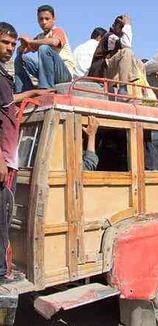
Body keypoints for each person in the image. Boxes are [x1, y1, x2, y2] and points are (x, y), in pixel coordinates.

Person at [0, 22, 52, 280]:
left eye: (12, 44)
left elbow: (8, 103)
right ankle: (1, 272)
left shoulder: (4, 76)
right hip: (2, 156)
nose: (9, 48)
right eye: (4, 43)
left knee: (5, 212)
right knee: (2, 215)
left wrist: (31, 92)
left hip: (9, 155)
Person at [14, 5, 75, 92]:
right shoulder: (40, 37)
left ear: (53, 19)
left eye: (47, 19)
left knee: (44, 48)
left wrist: (30, 42)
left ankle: (45, 88)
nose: (44, 22)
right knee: (20, 59)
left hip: (63, 75)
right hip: (48, 73)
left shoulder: (58, 31)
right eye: (41, 19)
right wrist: (24, 44)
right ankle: (22, 91)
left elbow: (54, 42)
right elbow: (20, 51)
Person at [88, 15, 138, 96]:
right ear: (113, 26)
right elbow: (127, 45)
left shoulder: (118, 40)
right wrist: (127, 25)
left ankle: (140, 93)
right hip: (100, 74)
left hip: (108, 73)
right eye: (121, 27)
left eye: (123, 27)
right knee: (127, 52)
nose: (122, 30)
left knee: (137, 62)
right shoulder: (110, 36)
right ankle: (123, 89)